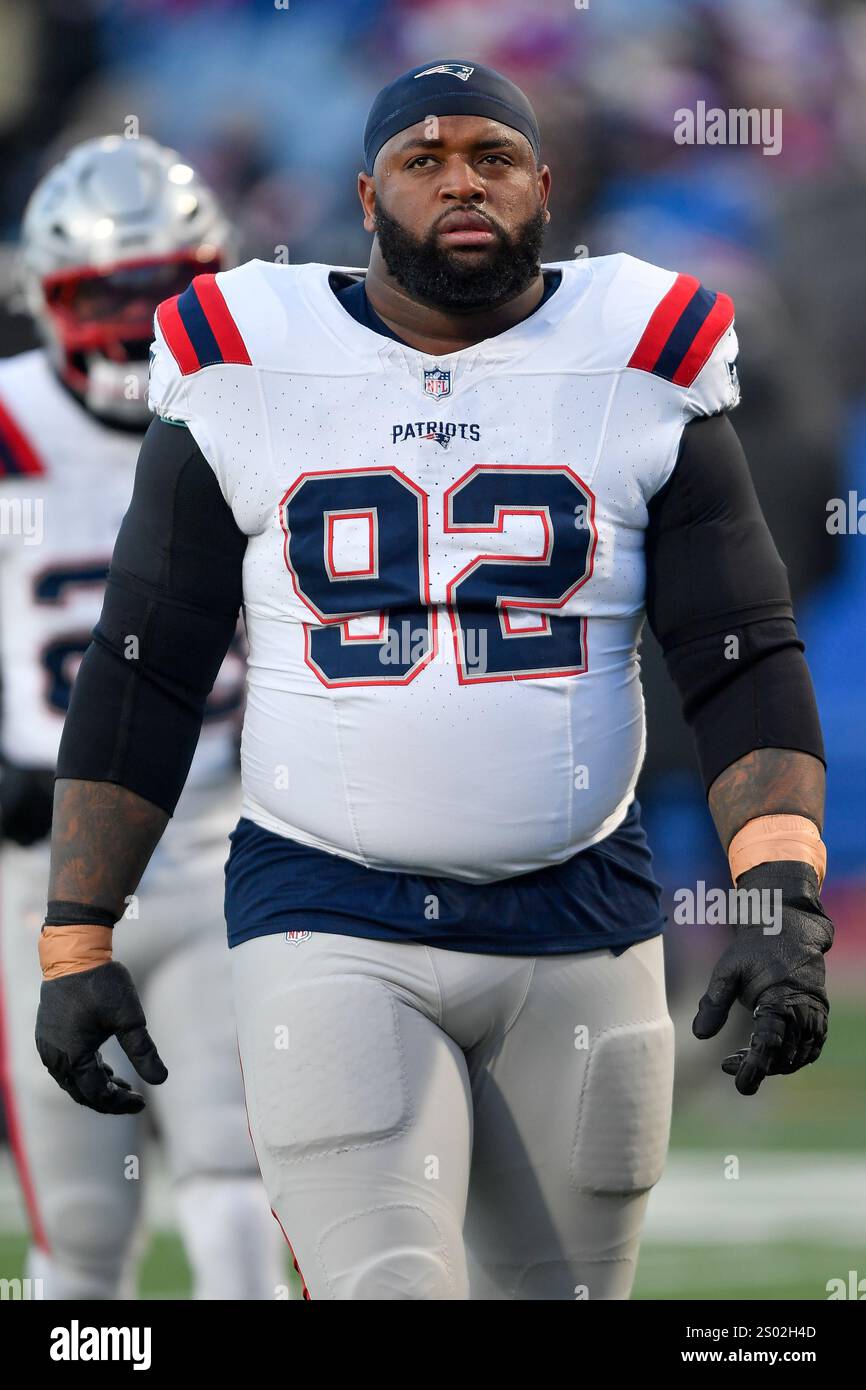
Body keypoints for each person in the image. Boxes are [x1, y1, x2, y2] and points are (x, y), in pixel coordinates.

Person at [35, 66, 832, 1301]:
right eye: (422, 157)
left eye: (492, 155)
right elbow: (147, 661)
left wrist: (776, 894)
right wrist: (77, 933)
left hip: (582, 913)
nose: (460, 176)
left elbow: (738, 650)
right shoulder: (247, 358)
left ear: (542, 186)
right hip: (327, 909)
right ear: (366, 194)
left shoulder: (639, 352)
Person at [0, 135, 282, 1299]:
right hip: (39, 860)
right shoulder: (12, 424)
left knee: (232, 1165)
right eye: (101, 297)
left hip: (219, 837)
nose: (131, 324)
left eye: (156, 292)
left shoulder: (259, 414)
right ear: (46, 299)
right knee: (79, 1216)